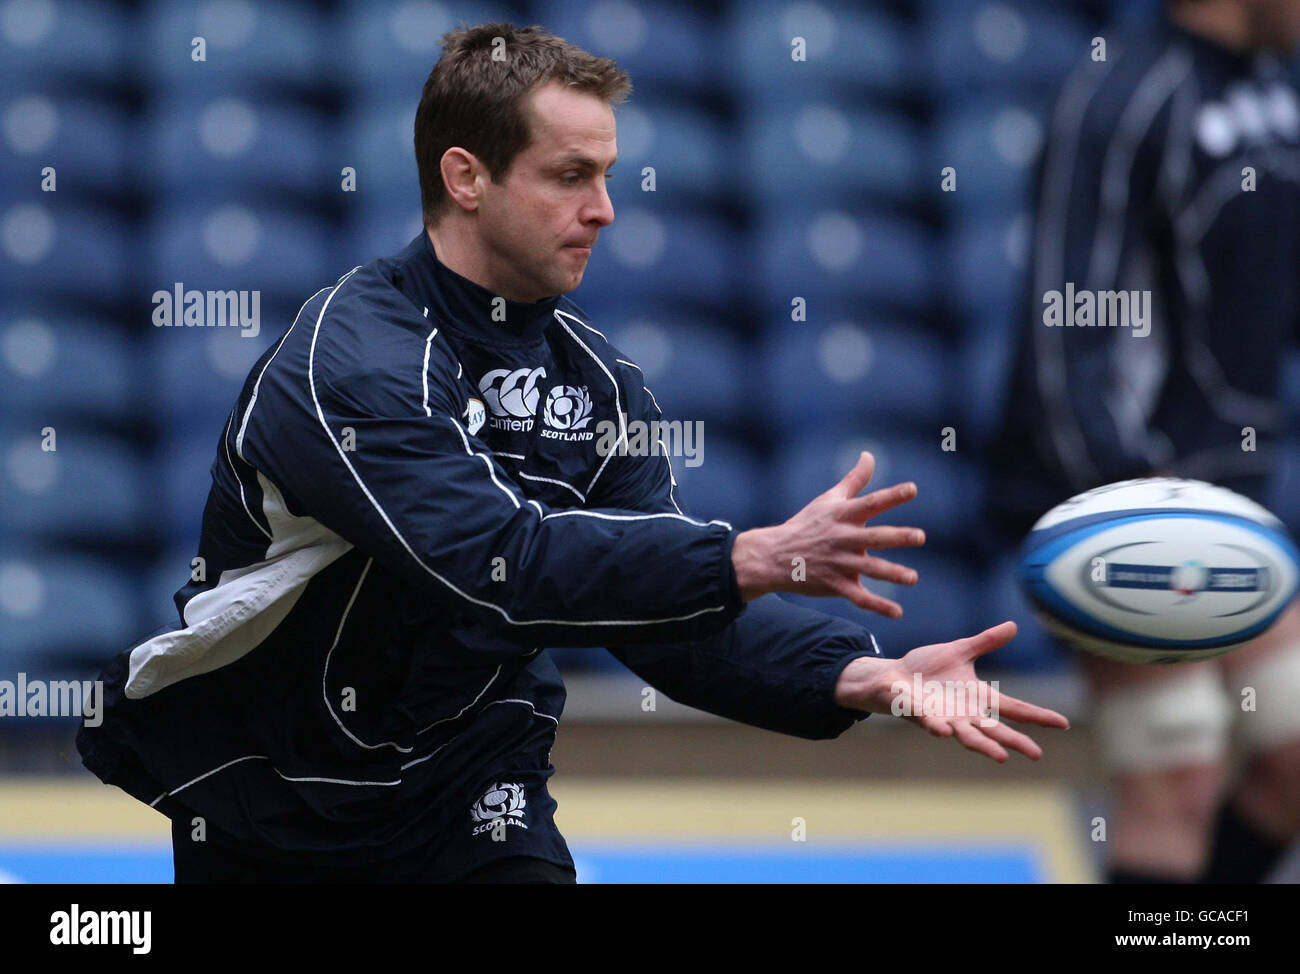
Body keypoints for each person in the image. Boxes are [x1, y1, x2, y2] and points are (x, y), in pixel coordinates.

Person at [78, 23, 1067, 884]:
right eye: (569, 176)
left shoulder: (599, 384)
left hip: (471, 787)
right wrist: (739, 557)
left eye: (606, 175)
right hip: (273, 795)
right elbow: (490, 561)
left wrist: (861, 674)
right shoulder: (352, 353)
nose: (603, 210)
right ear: (464, 177)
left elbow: (669, 623)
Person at [987, 0, 1300, 883]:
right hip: (1125, 496)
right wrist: (1119, 493)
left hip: (1231, 505)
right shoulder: (1122, 94)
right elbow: (1061, 327)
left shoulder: (1276, 96)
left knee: (1292, 757)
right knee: (1178, 770)